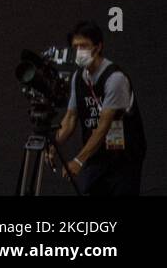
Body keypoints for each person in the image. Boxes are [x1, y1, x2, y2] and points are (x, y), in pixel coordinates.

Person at [50, 21, 146, 195]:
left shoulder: (115, 79)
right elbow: (70, 119)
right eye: (75, 47)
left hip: (123, 157)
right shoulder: (78, 78)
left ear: (98, 46)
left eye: (84, 46)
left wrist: (78, 161)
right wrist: (53, 144)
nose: (79, 51)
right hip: (97, 155)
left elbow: (103, 126)